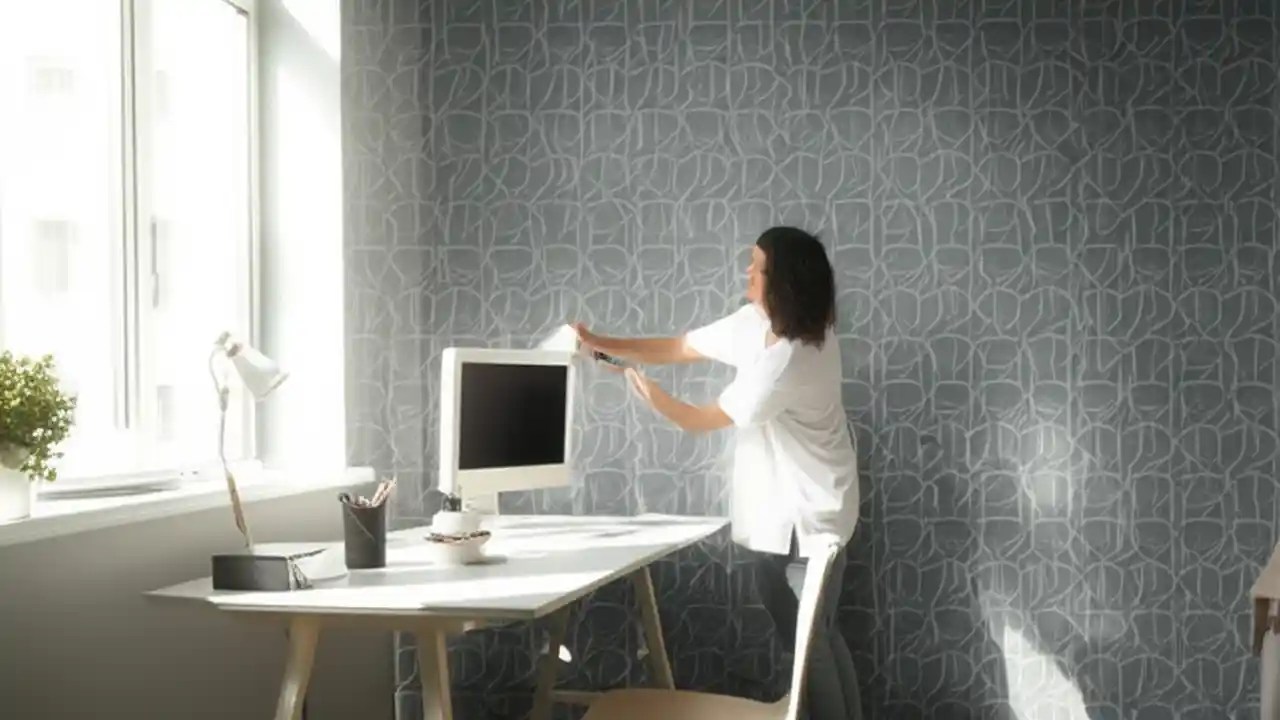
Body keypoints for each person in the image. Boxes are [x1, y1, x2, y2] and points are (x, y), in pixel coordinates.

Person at [574, 226, 862, 720]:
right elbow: (682, 346)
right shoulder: (762, 323)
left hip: (808, 523)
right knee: (818, 638)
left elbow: (697, 420)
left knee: (811, 646)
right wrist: (597, 342)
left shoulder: (791, 358)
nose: (746, 271)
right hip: (805, 510)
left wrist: (643, 389)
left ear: (784, 282)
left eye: (757, 265)